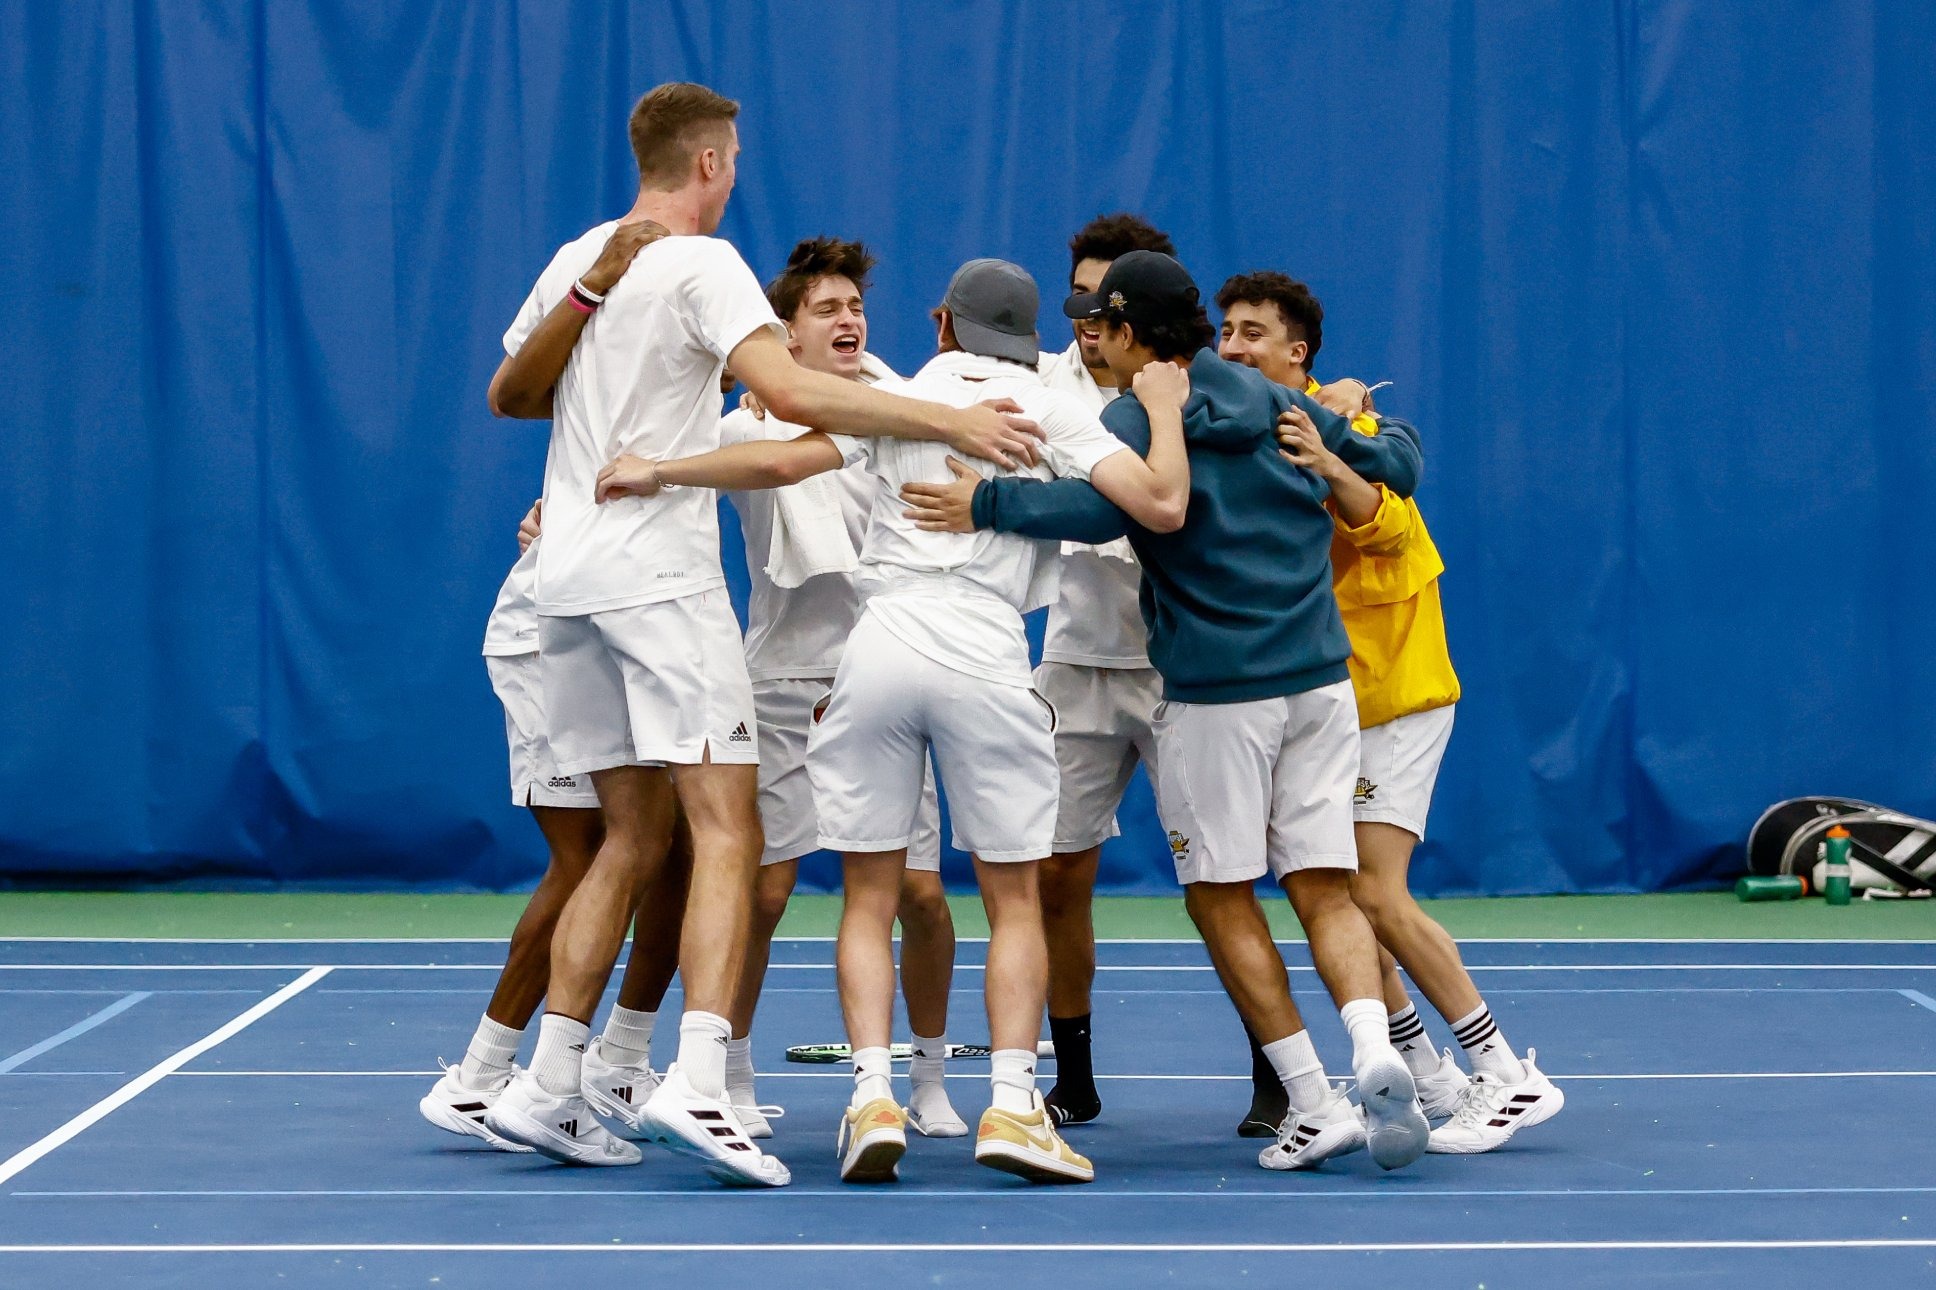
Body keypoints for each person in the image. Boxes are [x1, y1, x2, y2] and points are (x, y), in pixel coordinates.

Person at [479, 82, 1043, 1188]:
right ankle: (699, 1082)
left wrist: (590, 292)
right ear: (711, 162)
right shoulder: (703, 262)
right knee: (727, 833)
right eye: (731, 158)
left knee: (630, 842)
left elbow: (511, 395)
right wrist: (949, 418)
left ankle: (546, 1085)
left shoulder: (575, 257)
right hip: (655, 579)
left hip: (567, 583)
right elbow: (789, 394)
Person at [595, 257, 1191, 1185]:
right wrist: (1160, 412)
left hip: (876, 651)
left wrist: (657, 472)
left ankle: (872, 1096)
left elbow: (780, 457)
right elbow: (1160, 503)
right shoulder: (1056, 408)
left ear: (942, 322)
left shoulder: (904, 397)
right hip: (986, 652)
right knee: (1013, 899)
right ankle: (1013, 1105)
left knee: (868, 896)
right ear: (1033, 336)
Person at [898, 251, 1432, 1172]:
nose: (1092, 338)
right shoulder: (1277, 401)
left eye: (1104, 324)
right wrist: (1347, 420)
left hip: (1222, 695)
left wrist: (982, 501)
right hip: (1320, 682)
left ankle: (1311, 1100)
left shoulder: (1132, 414)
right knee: (1322, 884)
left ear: (1136, 332)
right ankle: (1376, 1050)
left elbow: (1107, 512)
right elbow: (1398, 465)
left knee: (1220, 897)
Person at [1216, 270, 1565, 1153]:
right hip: (1329, 706)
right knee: (1337, 896)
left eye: (1252, 332)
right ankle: (1435, 1074)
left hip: (1398, 699)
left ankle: (1506, 1076)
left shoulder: (1356, 434)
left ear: (1297, 354)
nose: (1232, 345)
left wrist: (1335, 448)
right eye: (1225, 331)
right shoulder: (1250, 432)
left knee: (1374, 890)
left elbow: (1382, 511)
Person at [717, 236, 965, 1140]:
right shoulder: (745, 425)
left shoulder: (907, 408)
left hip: (892, 673)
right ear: (784, 336)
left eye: (855, 306)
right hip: (783, 684)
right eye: (827, 309)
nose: (850, 318)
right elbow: (656, 463)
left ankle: (931, 1079)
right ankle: (730, 1074)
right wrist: (554, 516)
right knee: (767, 890)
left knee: (923, 895)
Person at [417, 533, 686, 1152]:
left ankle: (615, 1060)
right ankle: (481, 1077)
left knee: (669, 852)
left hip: (609, 635)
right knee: (591, 857)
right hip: (553, 638)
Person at [1031, 214, 1177, 1126]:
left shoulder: (1183, 392)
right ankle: (1073, 1076)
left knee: (1223, 880)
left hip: (1177, 666)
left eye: (1110, 297)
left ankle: (1272, 1075)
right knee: (1055, 876)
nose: (1093, 311)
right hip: (1075, 662)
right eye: (1081, 292)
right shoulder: (1035, 385)